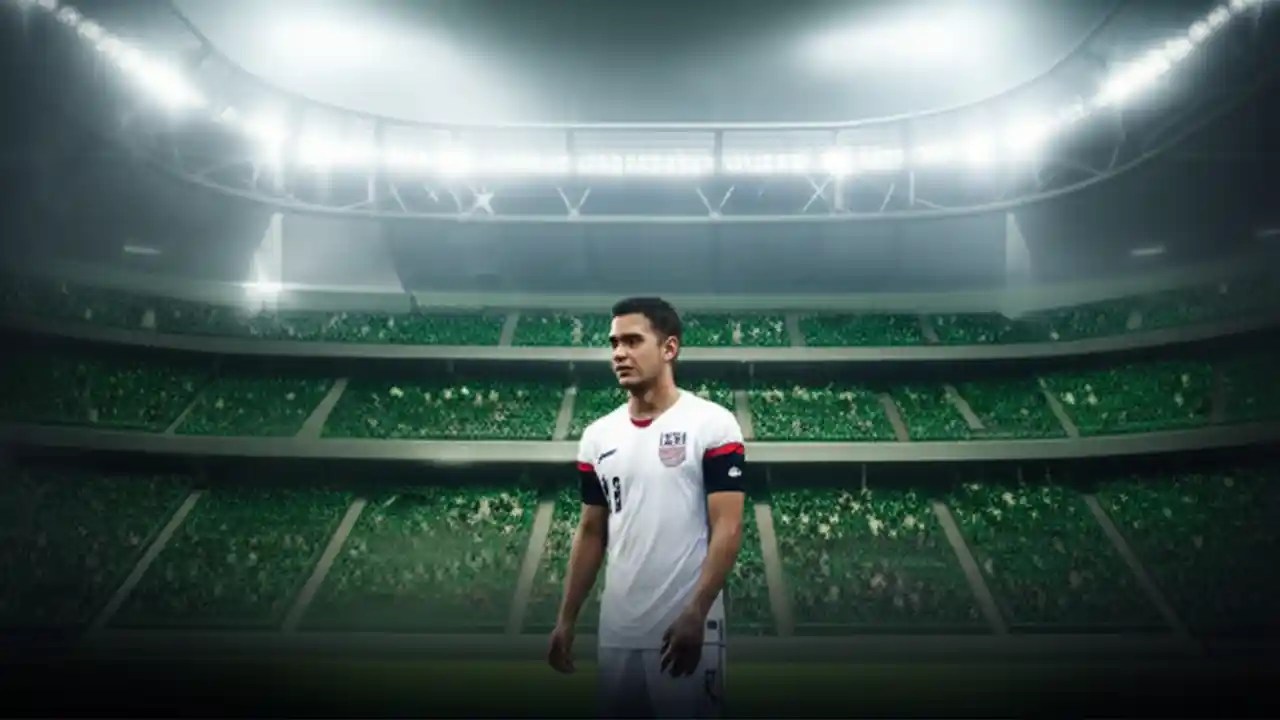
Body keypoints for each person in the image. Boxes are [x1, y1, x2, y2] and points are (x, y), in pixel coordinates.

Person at [547, 297, 747, 719]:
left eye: (633, 341)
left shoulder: (712, 424)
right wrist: (567, 618)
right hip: (617, 630)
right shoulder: (597, 436)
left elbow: (727, 527)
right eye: (614, 343)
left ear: (669, 348)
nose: (619, 353)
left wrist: (697, 611)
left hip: (687, 629)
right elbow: (591, 532)